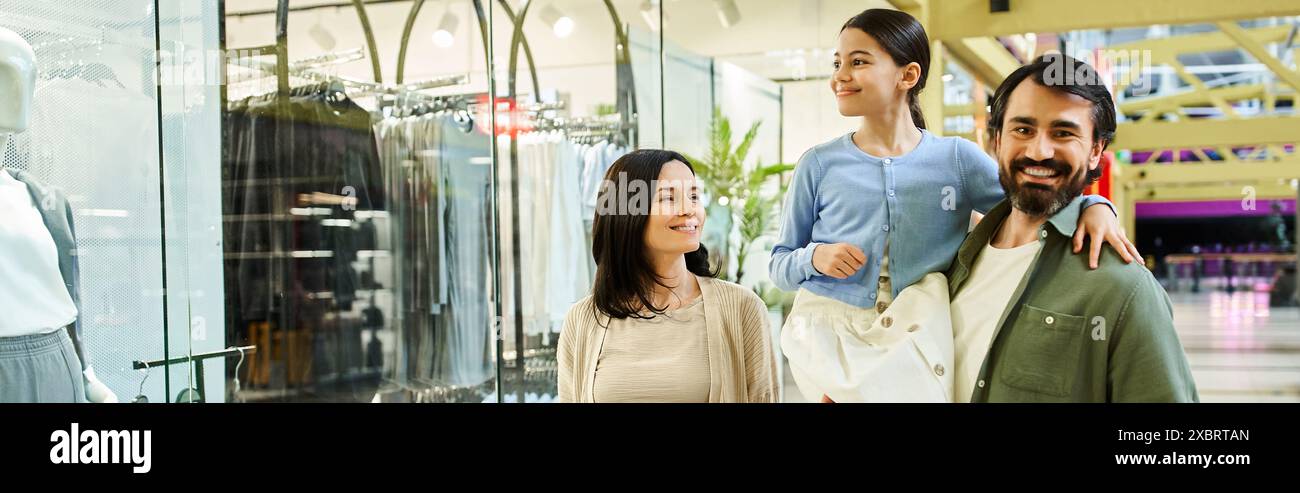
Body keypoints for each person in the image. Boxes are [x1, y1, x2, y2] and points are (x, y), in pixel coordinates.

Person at [769, 8, 1138, 402]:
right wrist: (815, 258)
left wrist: (1095, 205)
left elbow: (1030, 201)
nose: (840, 75)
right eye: (838, 62)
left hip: (917, 334)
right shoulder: (819, 164)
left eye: (858, 62)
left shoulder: (956, 160)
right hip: (830, 333)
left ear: (907, 76)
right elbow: (779, 265)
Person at [951, 54, 1198, 402]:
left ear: (1096, 150)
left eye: (1063, 132)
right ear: (997, 140)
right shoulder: (952, 257)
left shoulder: (1122, 288)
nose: (1039, 151)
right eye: (1023, 129)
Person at [557, 149, 777, 403]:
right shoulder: (583, 320)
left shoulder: (741, 309)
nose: (689, 210)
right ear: (627, 214)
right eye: (669, 198)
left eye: (694, 196)